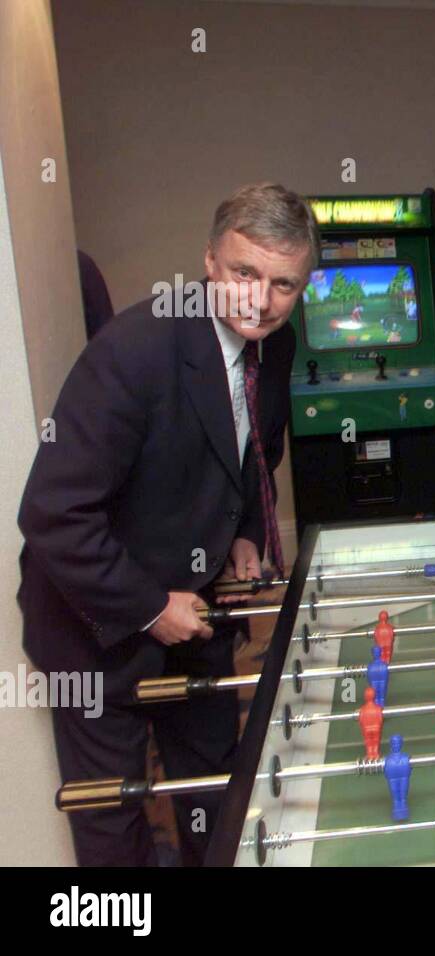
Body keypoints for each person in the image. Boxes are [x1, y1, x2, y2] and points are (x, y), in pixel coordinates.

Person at [18, 182, 318, 866]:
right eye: (245, 273)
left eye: (283, 284)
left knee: (219, 787)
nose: (260, 301)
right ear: (209, 262)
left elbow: (250, 447)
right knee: (114, 817)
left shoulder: (277, 342)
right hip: (94, 624)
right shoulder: (136, 350)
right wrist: (149, 607)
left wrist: (244, 527)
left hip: (196, 607)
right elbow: (51, 514)